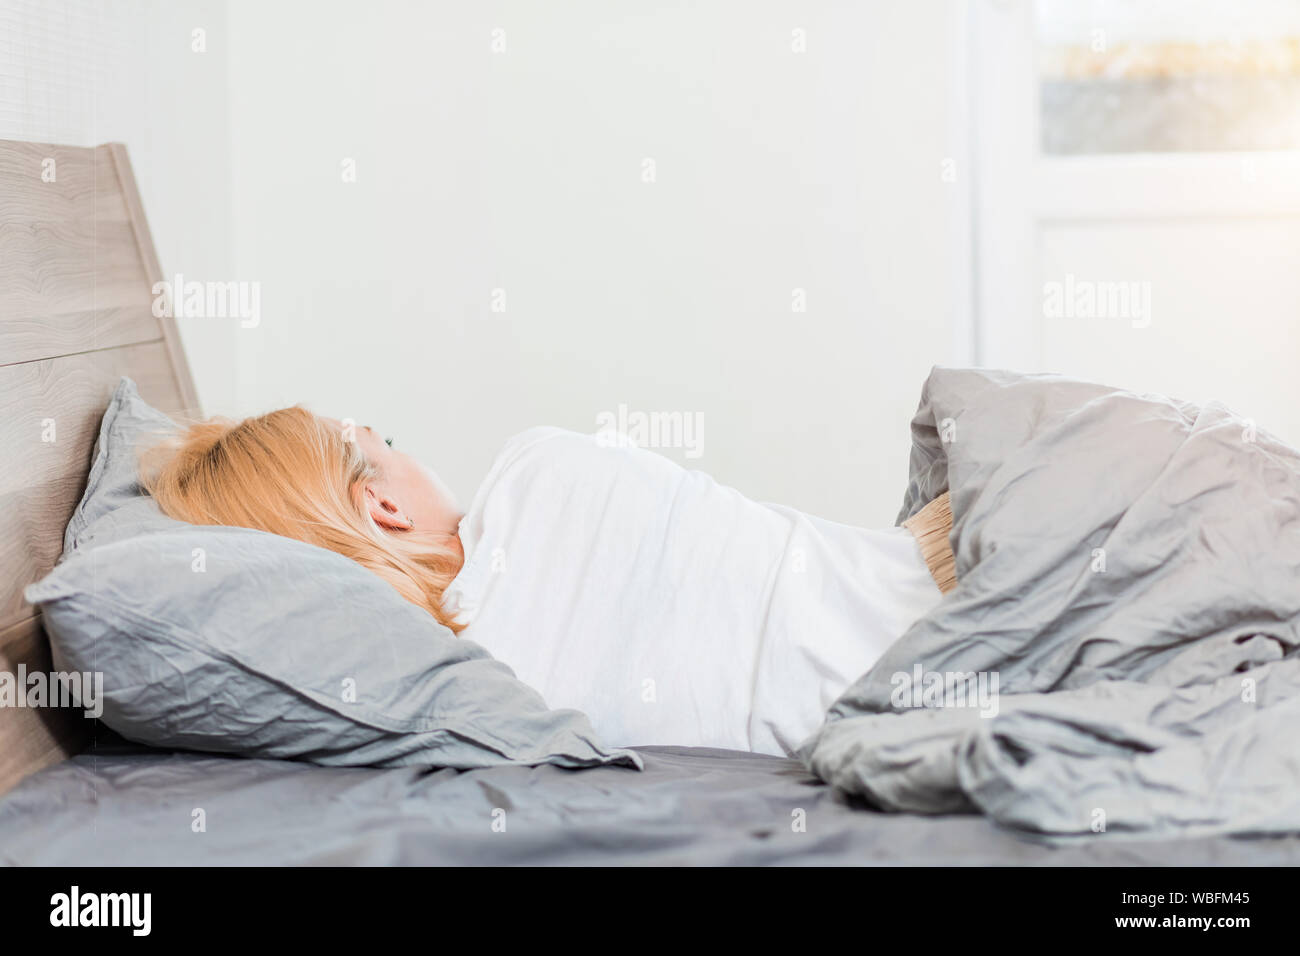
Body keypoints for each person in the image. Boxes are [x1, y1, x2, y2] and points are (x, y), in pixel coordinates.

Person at [144, 408, 955, 757]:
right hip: (947, 596)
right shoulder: (539, 471)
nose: (410, 449)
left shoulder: (470, 695)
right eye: (385, 440)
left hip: (912, 691)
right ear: (382, 504)